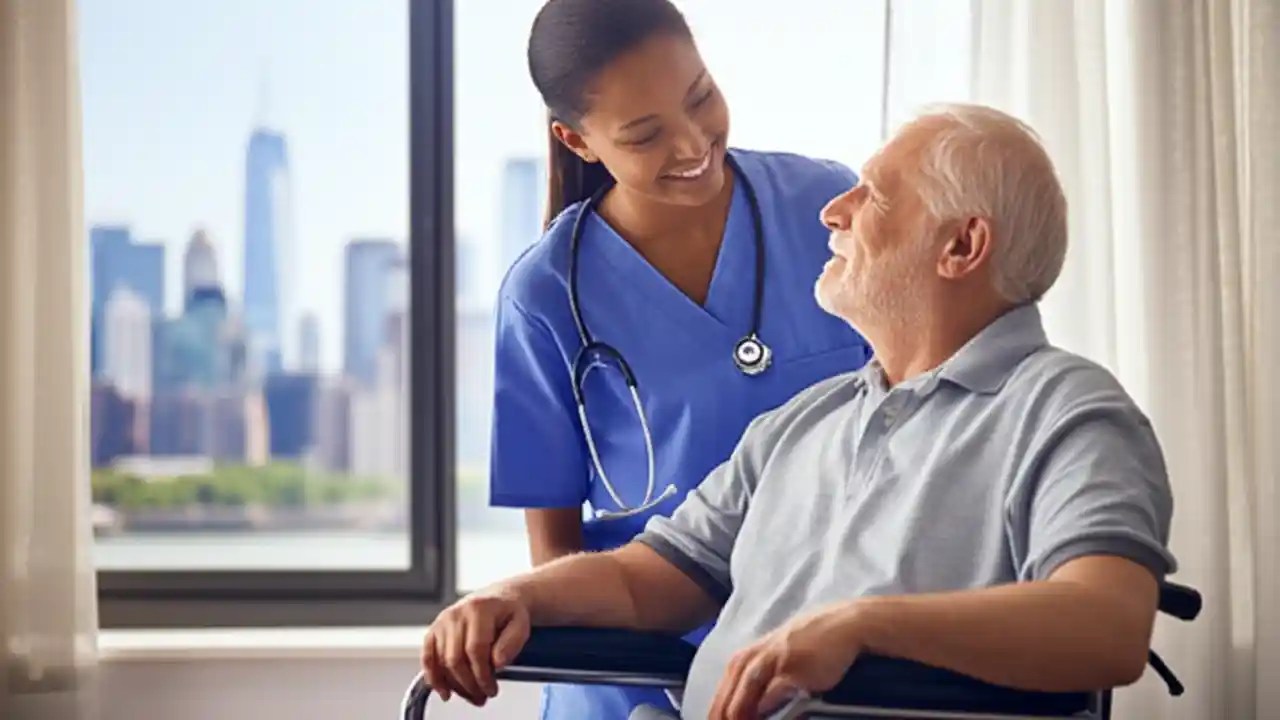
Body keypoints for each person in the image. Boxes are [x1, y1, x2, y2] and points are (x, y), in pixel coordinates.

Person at [428, 102, 1179, 719]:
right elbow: (644, 580)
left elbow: (1106, 629)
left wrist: (860, 627)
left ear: (961, 245)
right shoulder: (803, 423)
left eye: (874, 195)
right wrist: (505, 596)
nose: (833, 211)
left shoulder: (1067, 413)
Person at [486, 0, 873, 717]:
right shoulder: (544, 296)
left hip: (826, 653)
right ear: (579, 141)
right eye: (644, 135)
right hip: (632, 669)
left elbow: (924, 411)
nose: (694, 142)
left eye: (701, 96)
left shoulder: (826, 206)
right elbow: (556, 556)